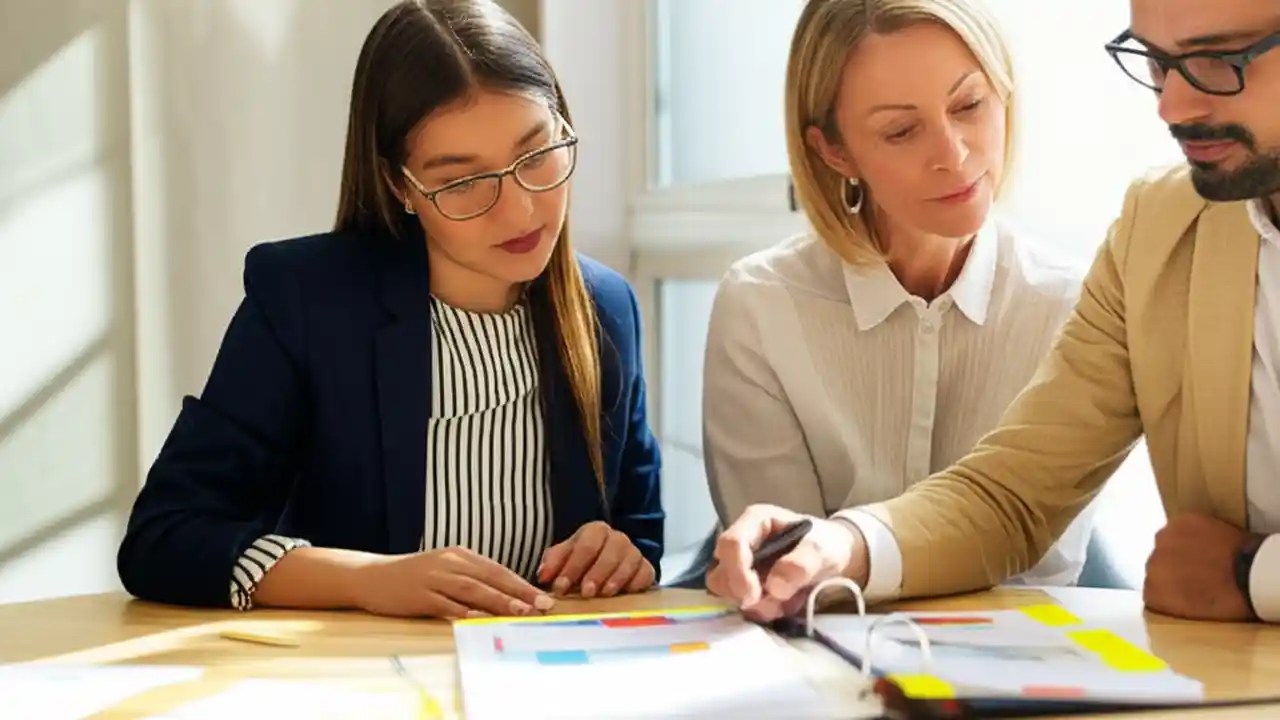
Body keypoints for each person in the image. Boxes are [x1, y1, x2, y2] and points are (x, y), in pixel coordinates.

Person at [709, 0, 1280, 624]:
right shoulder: (1164, 229)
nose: (1170, 108)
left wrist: (1256, 575)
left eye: (1218, 60)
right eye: (1158, 63)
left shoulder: (1062, 282)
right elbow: (1014, 494)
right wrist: (841, 543)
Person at [117, 0, 663, 620]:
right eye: (462, 182)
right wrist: (364, 580)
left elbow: (640, 534)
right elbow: (164, 537)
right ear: (401, 185)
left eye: (536, 157)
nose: (520, 212)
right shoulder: (307, 300)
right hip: (365, 681)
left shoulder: (605, 307)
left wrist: (621, 554)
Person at [702, 0, 1096, 598]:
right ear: (834, 152)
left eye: (969, 105)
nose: (954, 154)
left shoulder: (1070, 303)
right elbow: (787, 574)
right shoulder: (762, 307)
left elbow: (1040, 568)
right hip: (819, 656)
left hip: (1010, 656)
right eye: (901, 131)